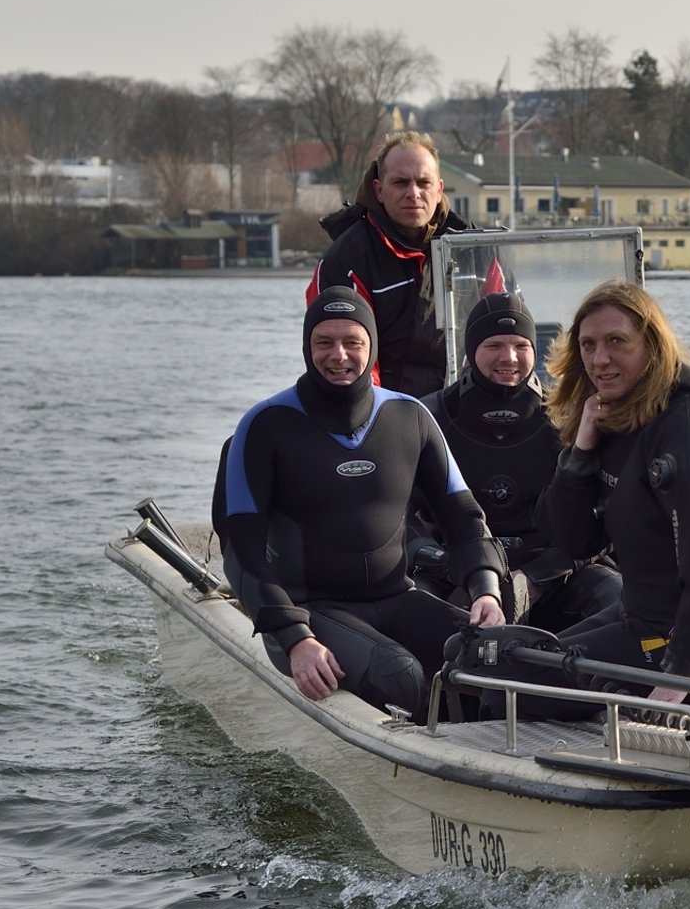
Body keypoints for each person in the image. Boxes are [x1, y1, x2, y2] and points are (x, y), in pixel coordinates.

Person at [214, 286, 506, 718]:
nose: (339, 355)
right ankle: (441, 754)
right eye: (324, 342)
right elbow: (241, 551)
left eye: (353, 342)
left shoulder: (410, 417)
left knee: (501, 653)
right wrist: (296, 639)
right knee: (398, 672)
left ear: (371, 347)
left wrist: (486, 589)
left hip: (396, 596)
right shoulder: (266, 425)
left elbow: (463, 518)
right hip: (309, 611)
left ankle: (494, 750)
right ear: (306, 346)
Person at [532, 280, 690, 705]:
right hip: (644, 623)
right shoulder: (622, 421)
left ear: (653, 346)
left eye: (616, 342)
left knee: (510, 688)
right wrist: (581, 451)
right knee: (501, 658)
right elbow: (572, 539)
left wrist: (682, 673)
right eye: (587, 345)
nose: (599, 359)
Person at [416, 292, 620, 632]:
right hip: (458, 571)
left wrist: (538, 577)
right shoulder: (430, 415)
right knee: (420, 610)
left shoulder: (572, 418)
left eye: (520, 346)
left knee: (615, 596)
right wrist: (458, 571)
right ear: (470, 349)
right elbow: (404, 517)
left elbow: (604, 523)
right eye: (494, 345)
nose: (508, 357)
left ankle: (609, 683)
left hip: (554, 571)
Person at [308, 131, 500, 399]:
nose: (413, 193)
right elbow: (343, 357)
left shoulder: (475, 249)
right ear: (379, 189)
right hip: (384, 408)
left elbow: (507, 331)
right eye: (400, 182)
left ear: (439, 189)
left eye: (424, 182)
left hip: (466, 405)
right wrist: (381, 416)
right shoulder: (345, 260)